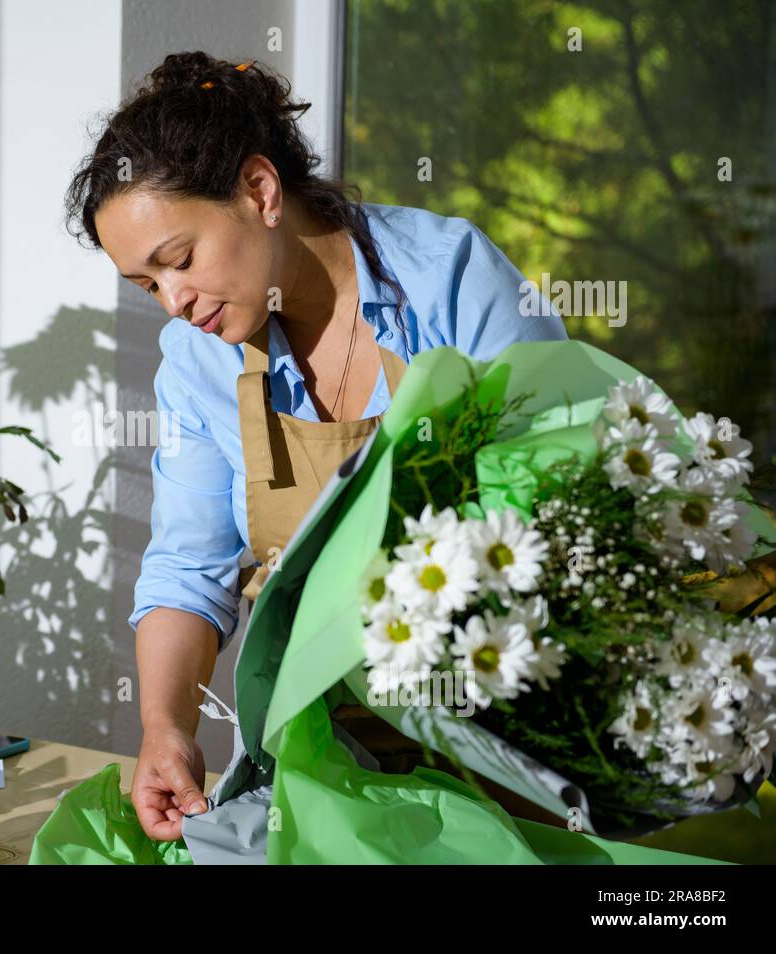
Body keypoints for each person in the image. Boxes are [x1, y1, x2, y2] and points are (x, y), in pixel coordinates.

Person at [64, 52, 568, 842]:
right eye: (146, 286)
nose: (173, 302)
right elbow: (187, 572)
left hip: (513, 738)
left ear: (260, 191)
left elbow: (565, 503)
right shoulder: (202, 360)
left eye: (179, 261)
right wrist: (164, 726)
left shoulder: (452, 282)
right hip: (329, 765)